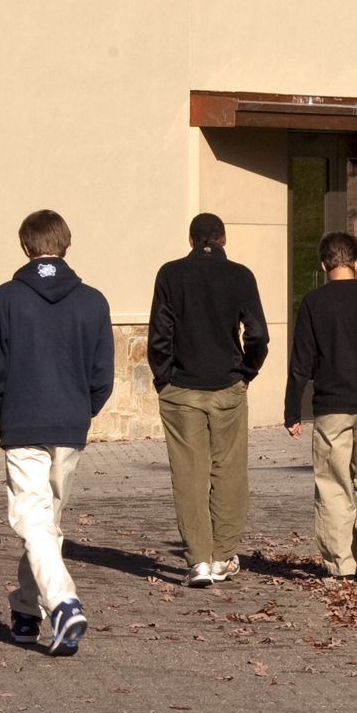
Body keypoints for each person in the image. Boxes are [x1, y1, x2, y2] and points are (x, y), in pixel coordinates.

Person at [0, 209, 111, 656]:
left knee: (34, 521)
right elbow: (102, 375)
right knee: (44, 524)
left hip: (22, 422)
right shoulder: (93, 302)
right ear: (67, 246)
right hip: (70, 425)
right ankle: (24, 607)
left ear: (25, 247)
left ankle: (62, 603)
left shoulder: (6, 298)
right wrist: (81, 411)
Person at [148, 212, 269, 588]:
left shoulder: (169, 274)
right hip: (228, 387)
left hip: (181, 388)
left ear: (190, 240)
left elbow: (159, 332)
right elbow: (258, 335)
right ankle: (222, 555)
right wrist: (247, 372)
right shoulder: (241, 275)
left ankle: (198, 560)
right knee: (229, 472)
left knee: (189, 474)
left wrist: (163, 377)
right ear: (224, 239)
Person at [281, 230, 357, 581]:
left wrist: (292, 410)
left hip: (331, 406)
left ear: (323, 264)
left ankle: (342, 565)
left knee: (332, 482)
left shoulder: (314, 303)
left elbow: (300, 363)